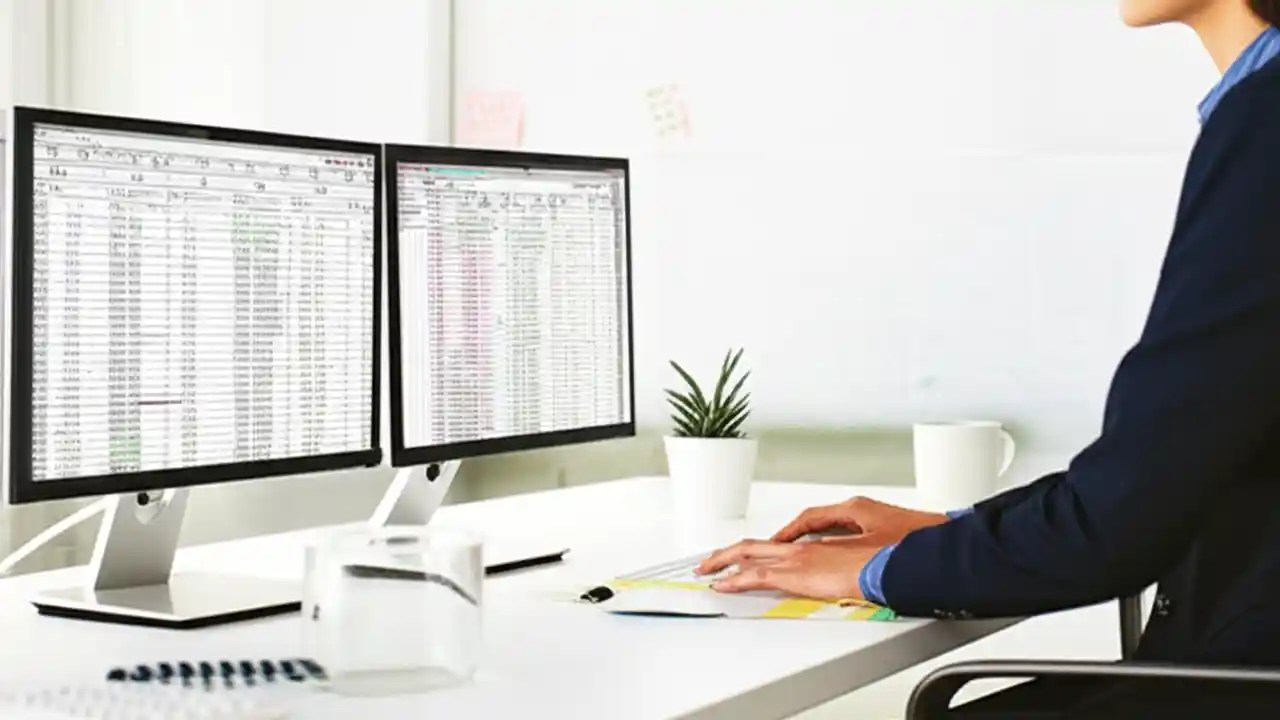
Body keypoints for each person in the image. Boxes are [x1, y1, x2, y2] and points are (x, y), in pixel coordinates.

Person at [696, 0, 1280, 715]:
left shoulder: (1267, 124)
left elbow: (1120, 528)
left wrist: (876, 572)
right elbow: (1169, 468)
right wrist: (948, 529)